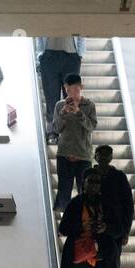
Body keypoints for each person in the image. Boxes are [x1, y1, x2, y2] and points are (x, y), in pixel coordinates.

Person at [94, 144, 135, 268]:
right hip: (92, 233)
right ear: (95, 156)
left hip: (115, 233)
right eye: (101, 155)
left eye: (107, 156)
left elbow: (128, 205)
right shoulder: (88, 175)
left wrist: (126, 231)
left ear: (111, 158)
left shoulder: (119, 177)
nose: (104, 159)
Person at [51, 74, 97, 211]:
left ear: (81, 88)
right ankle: (62, 225)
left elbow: (91, 127)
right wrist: (64, 112)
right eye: (68, 90)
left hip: (83, 155)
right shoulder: (60, 105)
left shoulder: (89, 105)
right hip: (64, 154)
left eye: (75, 90)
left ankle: (85, 224)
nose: (72, 94)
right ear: (65, 89)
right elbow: (56, 129)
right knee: (64, 191)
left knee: (85, 192)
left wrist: (78, 113)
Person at [36, 36, 84, 129]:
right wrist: (41, 54)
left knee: (71, 97)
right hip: (49, 54)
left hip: (72, 55)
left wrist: (80, 54)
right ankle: (52, 130)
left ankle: (70, 128)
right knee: (51, 96)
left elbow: (81, 28)